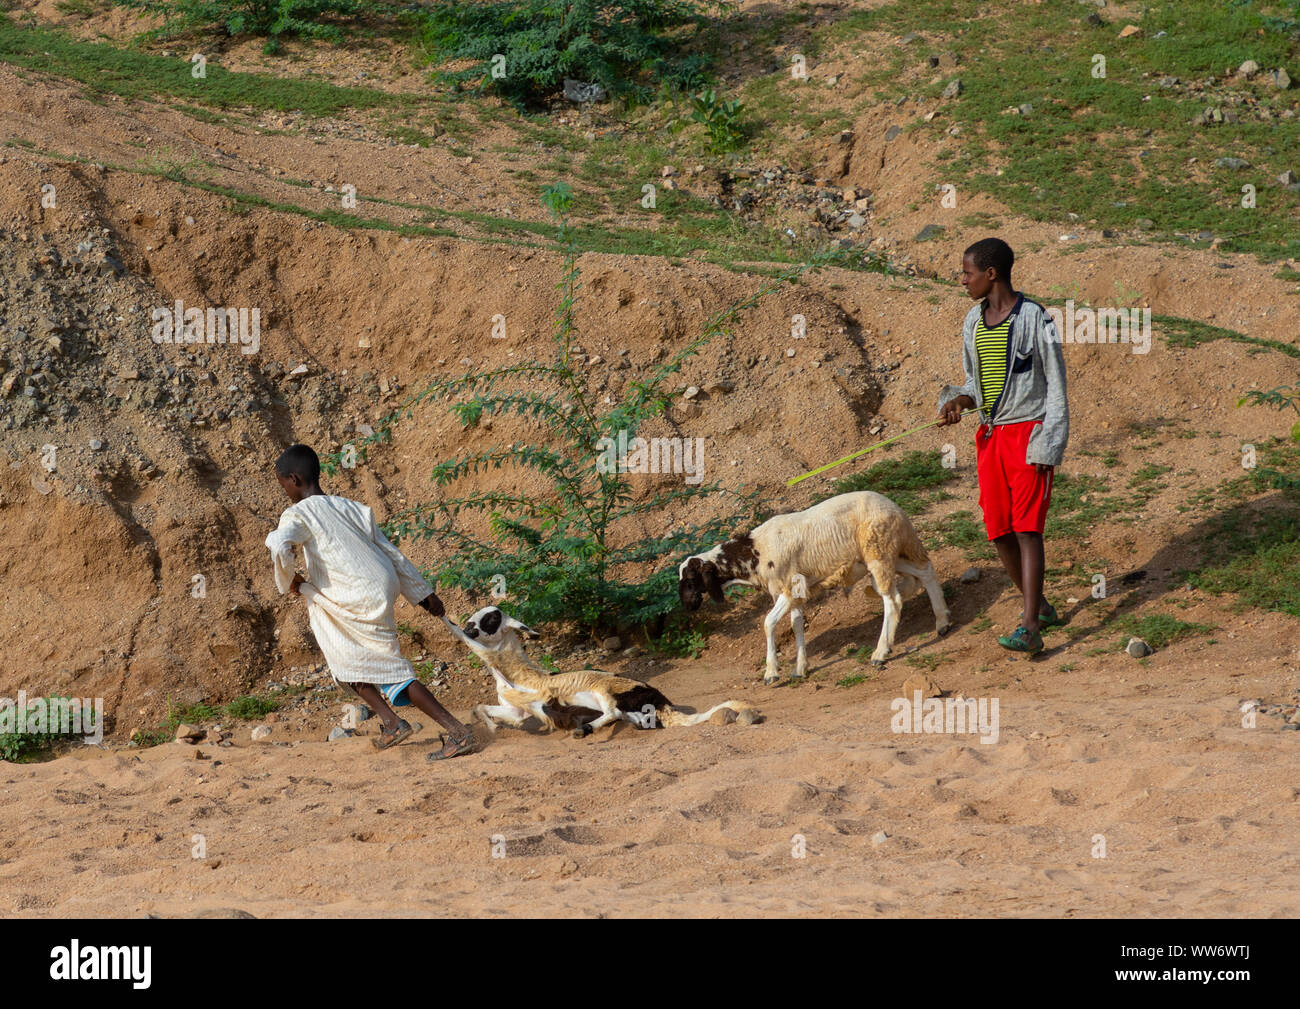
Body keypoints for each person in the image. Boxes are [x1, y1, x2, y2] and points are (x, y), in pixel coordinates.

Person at [264, 444, 476, 759]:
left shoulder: (297, 513)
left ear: (293, 479)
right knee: (343, 654)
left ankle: (458, 732)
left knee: (390, 668)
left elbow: (280, 544)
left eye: (283, 485)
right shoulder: (352, 507)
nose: (284, 492)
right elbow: (391, 552)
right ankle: (391, 724)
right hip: (380, 584)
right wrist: (423, 594)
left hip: (354, 594)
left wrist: (288, 580)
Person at [938, 238, 1069, 655]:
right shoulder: (972, 323)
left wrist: (1049, 440)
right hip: (992, 436)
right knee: (999, 530)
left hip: (1028, 434)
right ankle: (1041, 606)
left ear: (990, 273)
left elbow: (1056, 387)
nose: (963, 280)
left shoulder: (1035, 319)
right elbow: (977, 383)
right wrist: (960, 400)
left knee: (1028, 529)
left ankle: (1029, 626)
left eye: (967, 272)